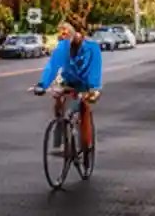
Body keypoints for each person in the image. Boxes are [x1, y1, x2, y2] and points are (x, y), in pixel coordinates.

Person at [31, 21, 102, 152]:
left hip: (86, 83)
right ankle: (62, 139)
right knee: (59, 102)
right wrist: (42, 84)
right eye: (62, 33)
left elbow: (95, 70)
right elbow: (52, 66)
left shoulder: (92, 48)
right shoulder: (62, 48)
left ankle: (86, 145)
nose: (64, 36)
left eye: (67, 33)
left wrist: (93, 88)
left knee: (84, 106)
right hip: (69, 82)